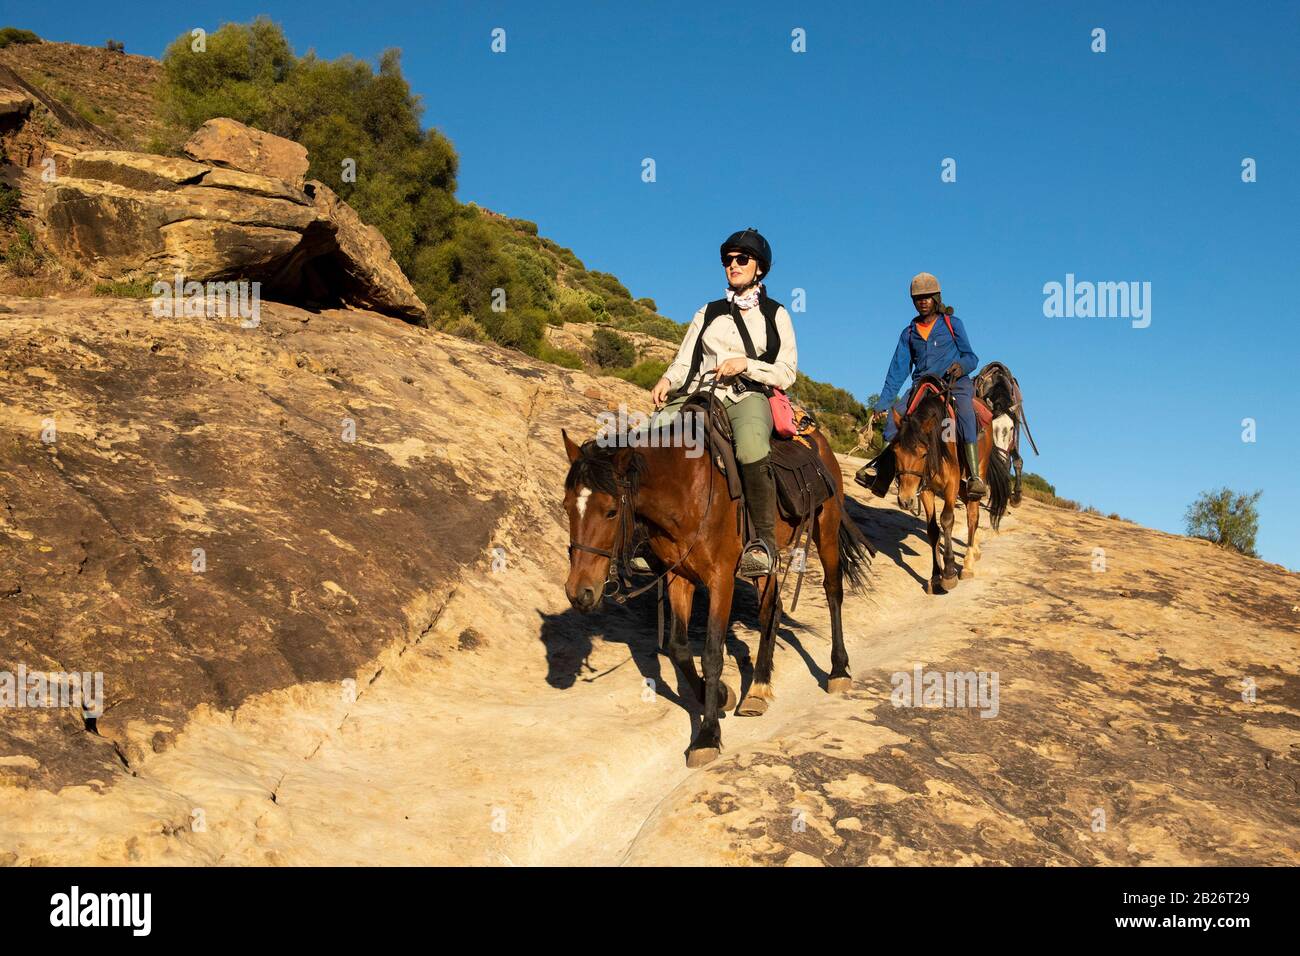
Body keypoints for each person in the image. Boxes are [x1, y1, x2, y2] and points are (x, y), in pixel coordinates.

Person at [647, 227, 797, 576]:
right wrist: (668, 379)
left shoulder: (777, 314)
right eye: (728, 260)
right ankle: (647, 539)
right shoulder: (709, 311)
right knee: (649, 437)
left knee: (750, 447)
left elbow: (787, 372)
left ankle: (763, 543)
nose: (733, 265)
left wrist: (747, 364)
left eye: (741, 259)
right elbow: (686, 358)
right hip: (701, 392)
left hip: (747, 395)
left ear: (759, 267)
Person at [862, 272, 987, 498]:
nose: (923, 301)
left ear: (936, 298)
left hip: (954, 384)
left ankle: (975, 477)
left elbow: (972, 357)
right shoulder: (909, 333)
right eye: (918, 298)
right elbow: (897, 370)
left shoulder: (952, 324)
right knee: (894, 419)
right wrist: (883, 403)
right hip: (922, 387)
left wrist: (961, 366)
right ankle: (881, 473)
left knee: (967, 414)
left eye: (927, 297)